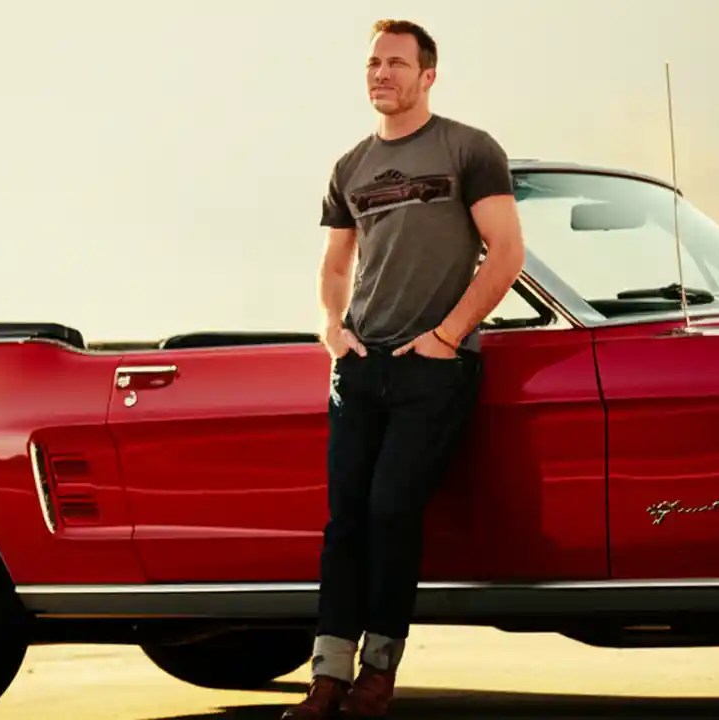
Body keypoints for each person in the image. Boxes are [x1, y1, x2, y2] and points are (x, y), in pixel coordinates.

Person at [280, 18, 525, 720]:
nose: (381, 74)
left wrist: (448, 336)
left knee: (391, 513)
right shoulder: (350, 166)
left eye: (396, 63)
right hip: (360, 368)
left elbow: (507, 251)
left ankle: (377, 675)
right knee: (345, 525)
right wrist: (333, 331)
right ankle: (326, 678)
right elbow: (335, 265)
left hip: (434, 370)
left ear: (428, 76)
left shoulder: (469, 148)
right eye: (373, 64)